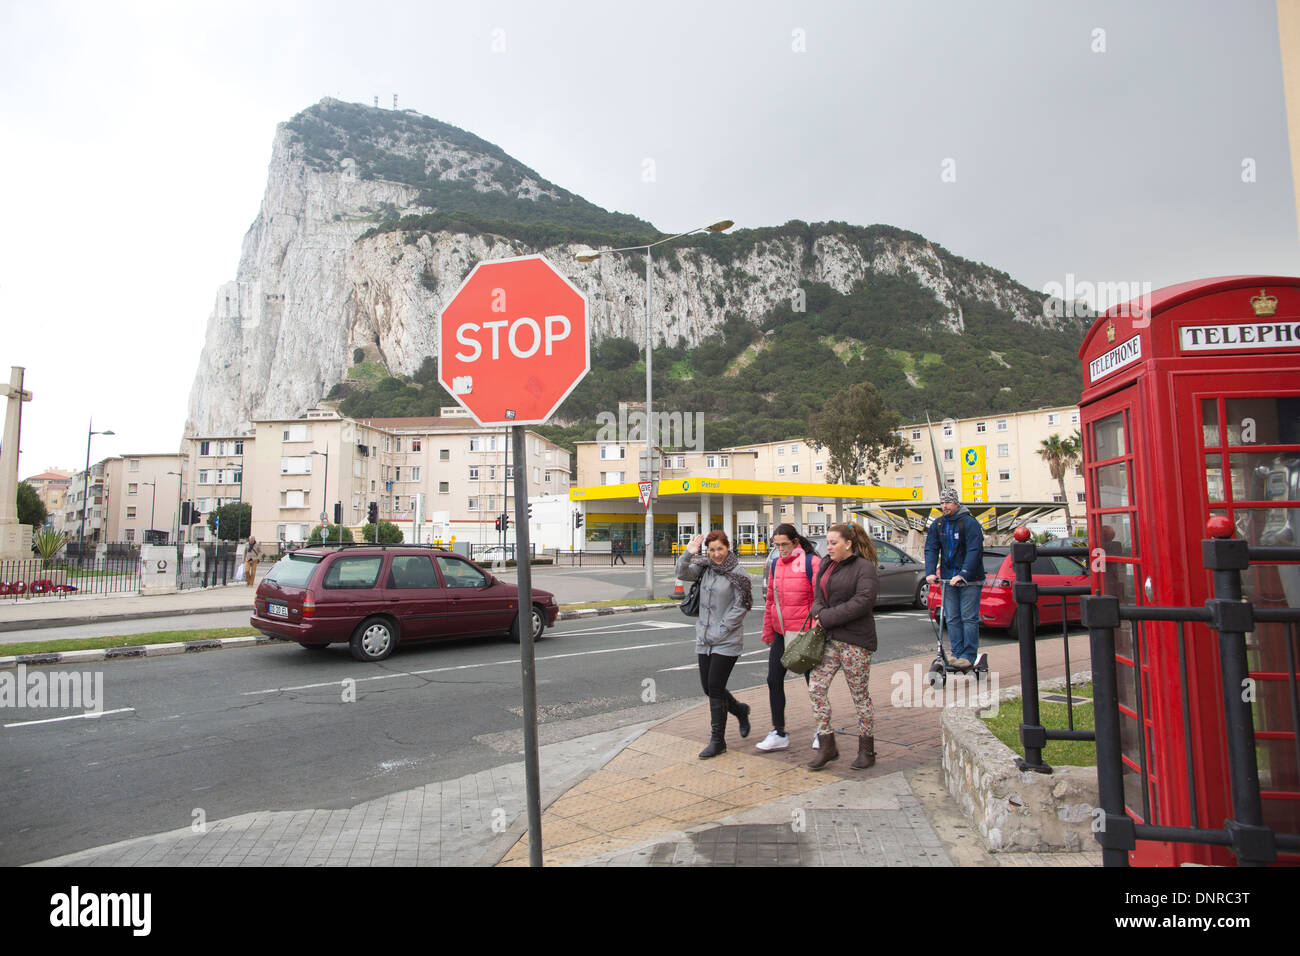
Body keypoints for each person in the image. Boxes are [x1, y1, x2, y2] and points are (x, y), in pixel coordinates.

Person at [806, 522, 879, 771]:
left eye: (834, 543)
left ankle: (866, 749)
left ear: (848, 544)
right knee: (816, 687)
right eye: (827, 543)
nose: (829, 547)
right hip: (829, 640)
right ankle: (828, 744)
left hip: (856, 641)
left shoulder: (864, 568)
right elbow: (817, 597)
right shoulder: (826, 564)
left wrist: (826, 617)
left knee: (859, 695)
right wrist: (818, 612)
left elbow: (863, 602)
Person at [675, 530, 753, 759]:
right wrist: (688, 554)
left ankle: (717, 740)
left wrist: (720, 630)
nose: (716, 554)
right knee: (708, 688)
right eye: (712, 550)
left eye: (720, 549)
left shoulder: (738, 573)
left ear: (728, 547)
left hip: (726, 639)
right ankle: (739, 709)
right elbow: (681, 573)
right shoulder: (704, 567)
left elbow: (742, 606)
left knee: (716, 687)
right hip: (704, 638)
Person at [756, 524, 820, 751]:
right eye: (777, 545)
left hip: (805, 634)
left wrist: (815, 628)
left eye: (784, 544)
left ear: (795, 542)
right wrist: (768, 631)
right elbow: (771, 601)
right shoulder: (775, 565)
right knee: (774, 680)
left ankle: (823, 730)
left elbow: (821, 600)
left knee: (814, 684)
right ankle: (779, 731)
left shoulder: (812, 563)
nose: (780, 549)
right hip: (782, 633)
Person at [924, 487, 986, 668]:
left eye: (948, 502)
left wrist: (963, 574)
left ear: (956, 503)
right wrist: (930, 572)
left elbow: (975, 550)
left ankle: (968, 654)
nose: (944, 506)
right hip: (948, 578)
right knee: (951, 617)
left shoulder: (969, 523)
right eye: (942, 502)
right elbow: (931, 548)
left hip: (970, 579)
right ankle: (956, 652)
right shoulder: (939, 524)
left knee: (968, 617)